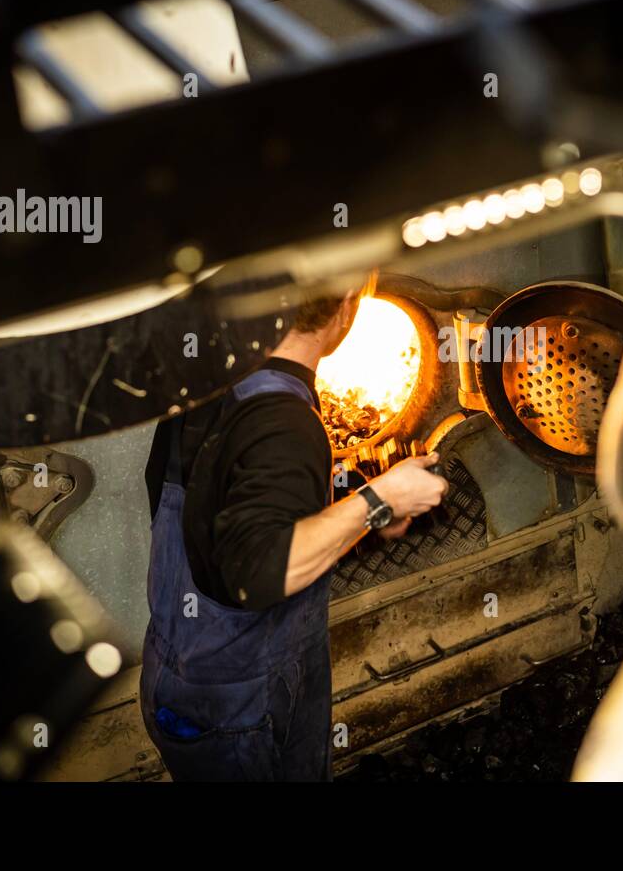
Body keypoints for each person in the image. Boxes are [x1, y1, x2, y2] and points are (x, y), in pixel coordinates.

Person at [139, 287, 447, 780]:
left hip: (179, 678)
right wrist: (379, 499)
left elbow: (223, 514)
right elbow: (259, 573)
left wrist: (359, 516)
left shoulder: (210, 377)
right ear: (347, 303)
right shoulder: (284, 421)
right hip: (246, 706)